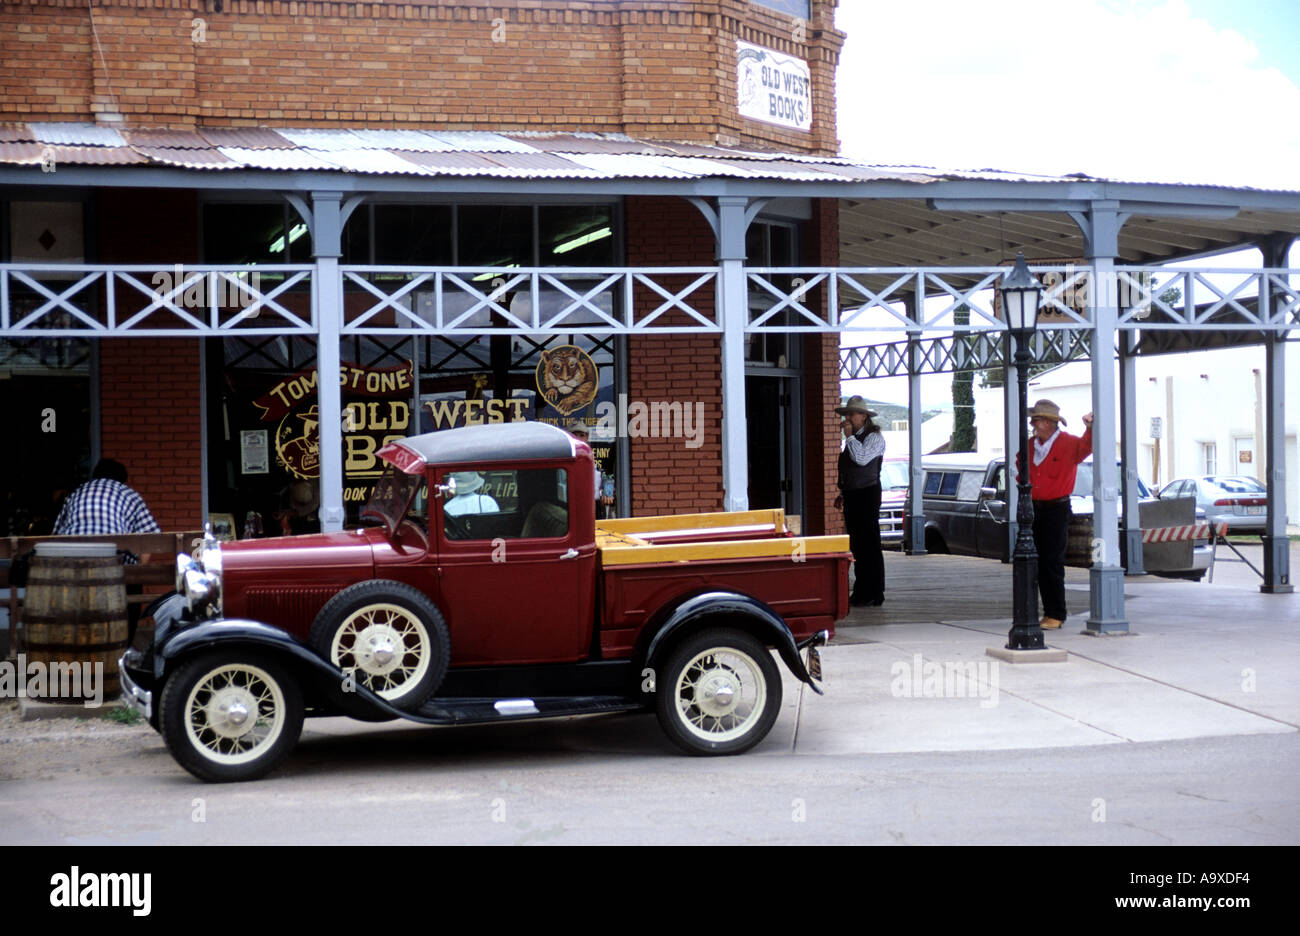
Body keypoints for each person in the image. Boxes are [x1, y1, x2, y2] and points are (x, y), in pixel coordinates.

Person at [1018, 400, 1093, 629]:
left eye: (1038, 419)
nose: (1033, 423)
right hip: (1033, 508)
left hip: (1056, 509)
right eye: (1034, 419)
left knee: (1051, 562)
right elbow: (1020, 470)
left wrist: (1090, 428)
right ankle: (1041, 611)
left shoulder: (1069, 443)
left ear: (1050, 423)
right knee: (1034, 561)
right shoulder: (1030, 445)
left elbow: (1087, 447)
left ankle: (1056, 613)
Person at [833, 395, 885, 607]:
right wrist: (843, 492)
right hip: (853, 494)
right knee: (857, 544)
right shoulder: (852, 439)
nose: (848, 418)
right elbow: (850, 469)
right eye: (847, 414)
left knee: (869, 543)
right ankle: (862, 589)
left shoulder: (874, 438)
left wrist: (849, 438)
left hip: (867, 493)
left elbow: (861, 459)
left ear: (863, 416)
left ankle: (874, 591)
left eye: (852, 414)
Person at [53, 458, 161, 552]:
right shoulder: (128, 493)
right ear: (121, 481)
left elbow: (56, 535)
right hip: (112, 557)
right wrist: (138, 571)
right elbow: (149, 536)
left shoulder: (77, 492)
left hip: (72, 555)